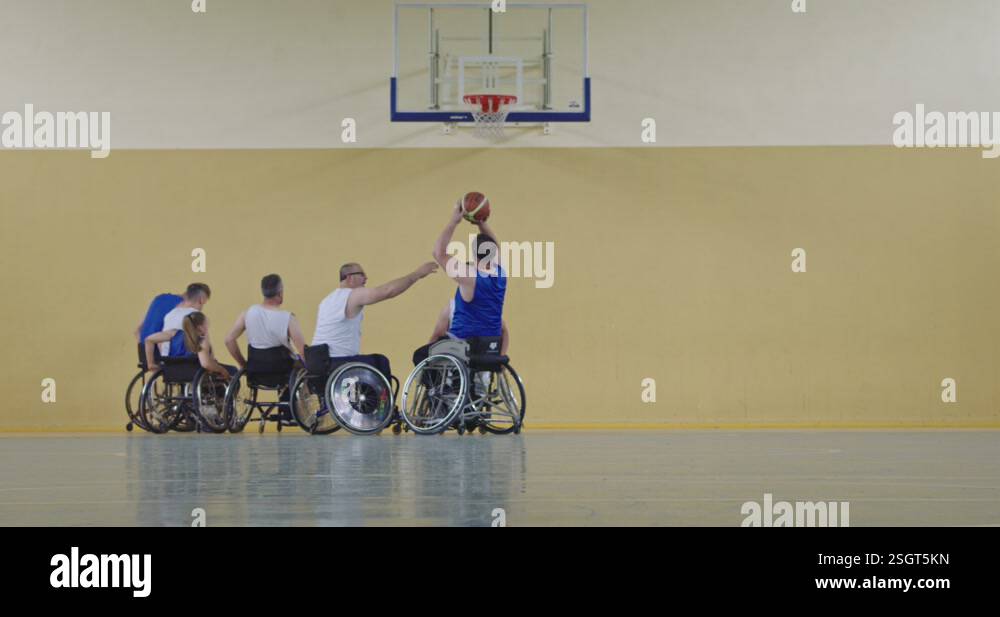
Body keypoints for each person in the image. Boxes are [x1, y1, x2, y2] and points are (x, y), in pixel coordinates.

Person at [412, 200, 506, 367]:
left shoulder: (469, 275)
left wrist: (454, 221)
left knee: (420, 355)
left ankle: (444, 388)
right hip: (491, 346)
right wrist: (481, 223)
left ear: (474, 253)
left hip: (464, 345)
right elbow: (495, 246)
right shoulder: (501, 273)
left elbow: (438, 252)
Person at [311, 260, 438, 377]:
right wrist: (417, 274)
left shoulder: (326, 301)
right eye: (362, 274)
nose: (366, 278)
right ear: (349, 278)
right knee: (380, 362)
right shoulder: (351, 294)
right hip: (338, 362)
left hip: (317, 362)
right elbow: (388, 291)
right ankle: (383, 402)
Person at [224, 274, 307, 368]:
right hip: (283, 370)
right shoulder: (288, 318)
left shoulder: (247, 313)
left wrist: (243, 365)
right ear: (280, 293)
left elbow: (228, 340)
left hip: (256, 370)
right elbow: (303, 351)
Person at [143, 283, 211, 370]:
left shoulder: (171, 314)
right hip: (188, 362)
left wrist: (151, 363)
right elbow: (204, 347)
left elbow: (152, 340)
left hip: (167, 361)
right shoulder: (196, 316)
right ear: (201, 300)